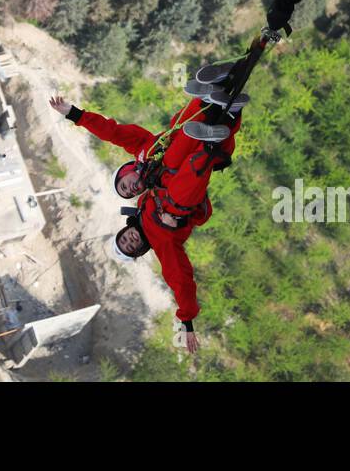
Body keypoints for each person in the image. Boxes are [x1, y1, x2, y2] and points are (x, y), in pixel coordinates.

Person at [49, 84, 245, 353]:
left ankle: (208, 100)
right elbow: (179, 277)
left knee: (174, 142)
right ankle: (210, 139)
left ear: (127, 171)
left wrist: (74, 114)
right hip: (188, 186)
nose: (130, 240)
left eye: (126, 185)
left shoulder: (145, 176)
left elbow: (112, 132)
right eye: (132, 246)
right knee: (175, 192)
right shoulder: (160, 239)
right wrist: (186, 319)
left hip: (186, 146)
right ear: (141, 248)